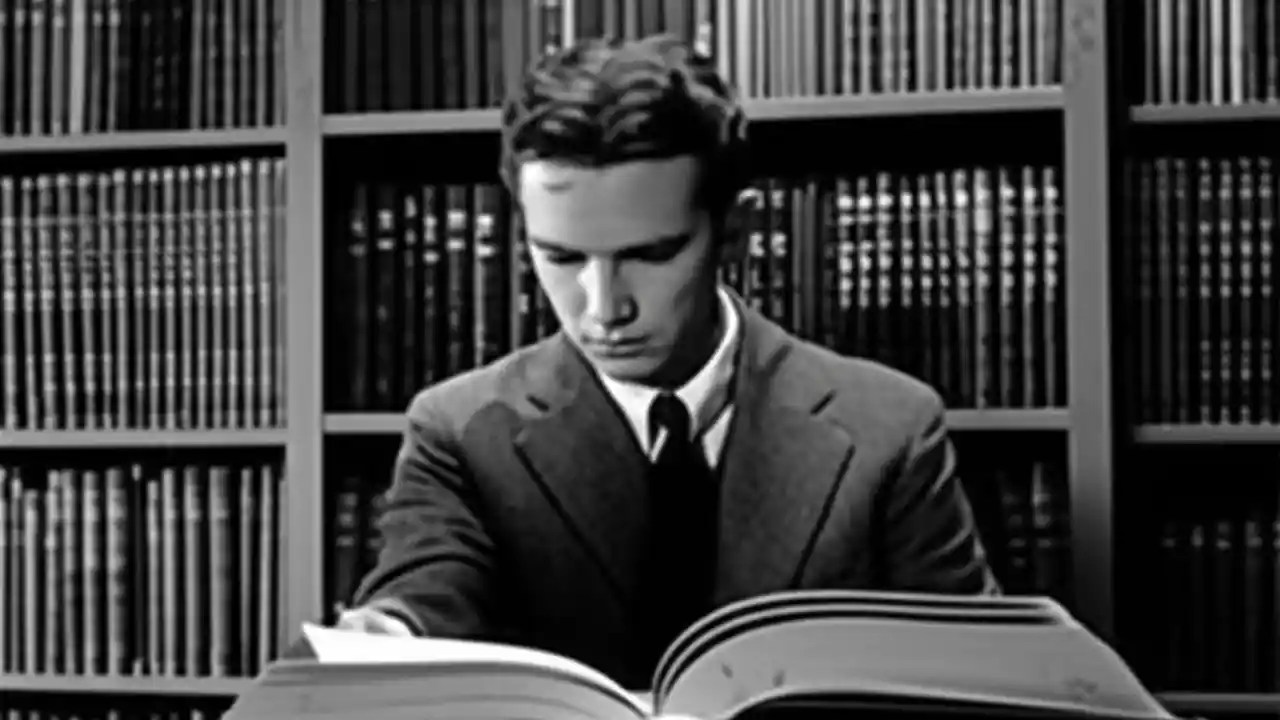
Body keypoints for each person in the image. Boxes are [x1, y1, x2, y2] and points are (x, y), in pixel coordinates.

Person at [337, 33, 1000, 690]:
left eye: (650, 256)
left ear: (731, 233)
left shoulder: (892, 431)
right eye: (562, 258)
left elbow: (982, 687)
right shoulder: (459, 431)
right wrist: (388, 635)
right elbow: (424, 592)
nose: (603, 308)